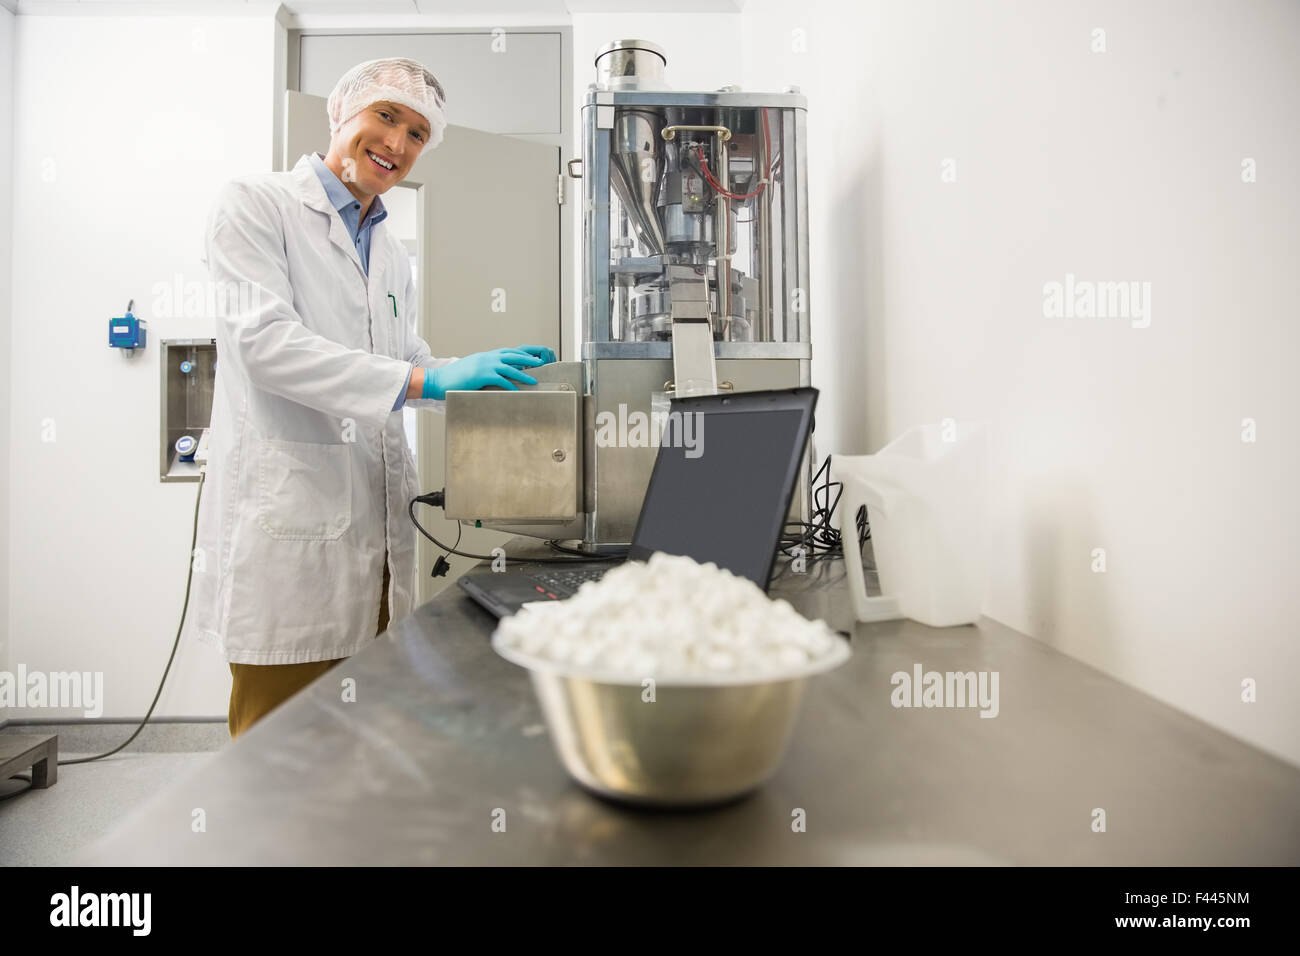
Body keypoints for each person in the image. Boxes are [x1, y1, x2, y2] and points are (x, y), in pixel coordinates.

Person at [183, 57, 555, 737]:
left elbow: (403, 359)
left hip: (376, 543)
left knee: (360, 747)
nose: (397, 143)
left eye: (417, 134)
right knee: (277, 755)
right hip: (291, 540)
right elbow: (266, 346)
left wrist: (472, 383)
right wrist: (423, 382)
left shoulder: (390, 247)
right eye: (386, 117)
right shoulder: (254, 205)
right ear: (341, 113)